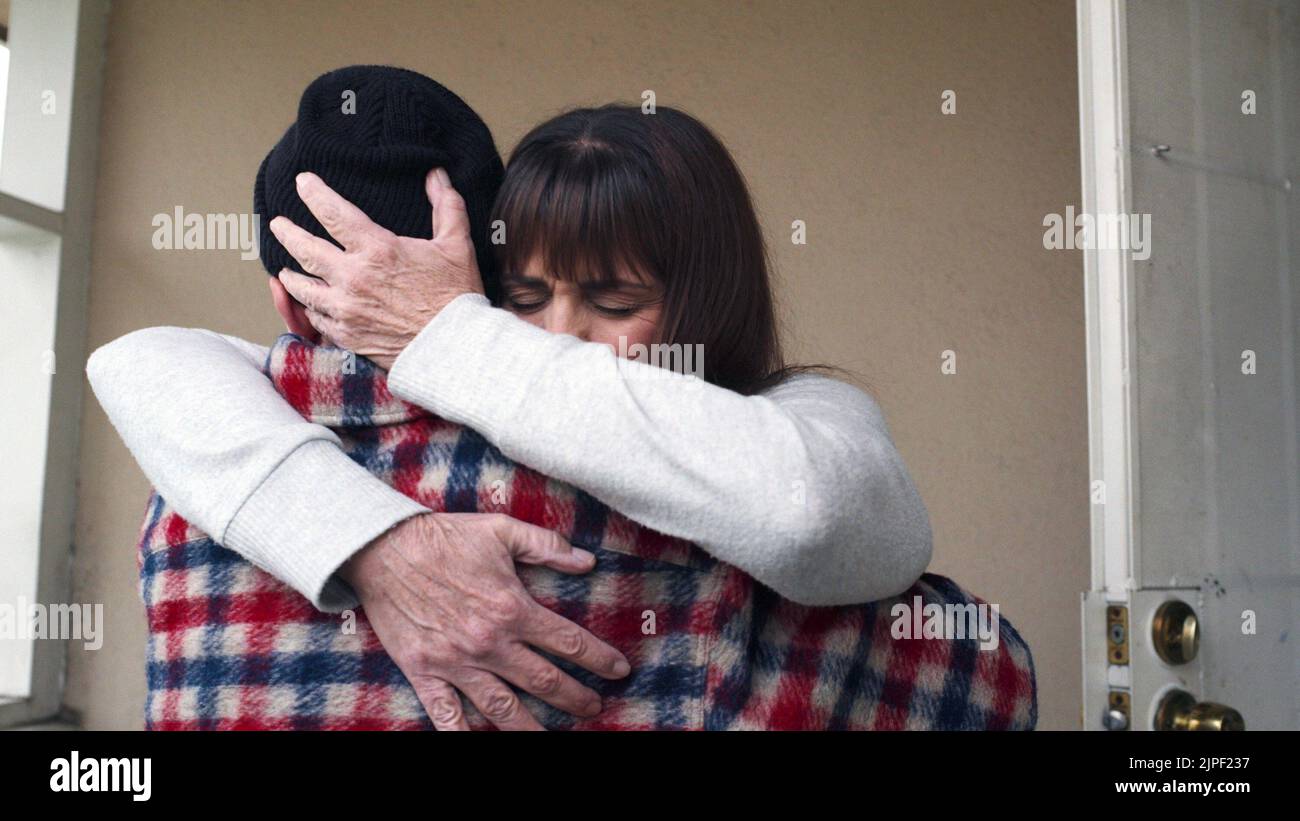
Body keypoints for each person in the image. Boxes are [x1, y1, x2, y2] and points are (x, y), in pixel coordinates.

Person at [90, 66, 1034, 729]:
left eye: (616, 301)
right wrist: (377, 546)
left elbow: (813, 511)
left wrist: (452, 333)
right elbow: (141, 363)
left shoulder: (796, 426)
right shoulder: (411, 429)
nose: (561, 337)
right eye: (524, 300)